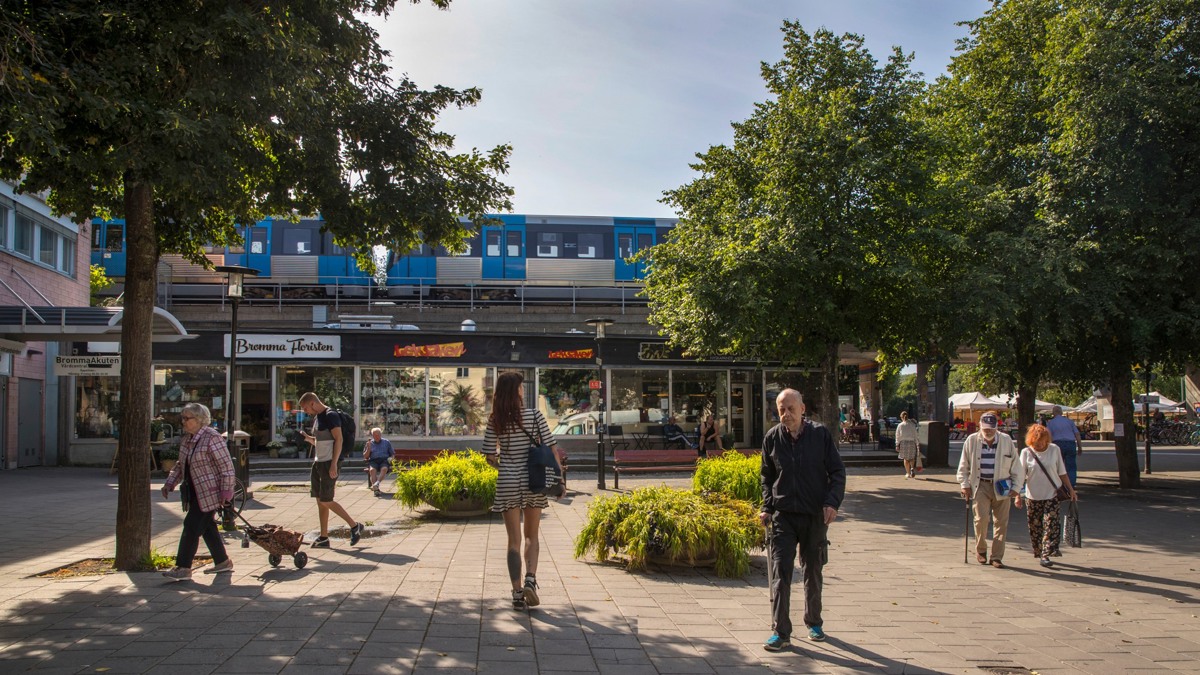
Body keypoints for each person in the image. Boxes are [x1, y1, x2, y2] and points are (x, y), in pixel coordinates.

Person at [760, 389, 846, 651]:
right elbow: (766, 477)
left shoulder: (820, 435)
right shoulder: (772, 438)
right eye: (781, 410)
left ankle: (814, 622)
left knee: (813, 570)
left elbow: (837, 472)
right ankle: (780, 631)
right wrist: (767, 507)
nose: (786, 414)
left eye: (790, 409)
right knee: (781, 573)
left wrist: (832, 503)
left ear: (802, 408)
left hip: (813, 515)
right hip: (784, 516)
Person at [482, 372, 565, 610]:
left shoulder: (495, 419)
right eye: (521, 387)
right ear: (516, 390)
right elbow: (551, 448)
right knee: (532, 536)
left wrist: (505, 465)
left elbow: (489, 457)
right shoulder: (535, 415)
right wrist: (560, 480)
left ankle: (517, 593)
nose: (523, 390)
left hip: (508, 481)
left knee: (513, 541)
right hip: (533, 480)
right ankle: (530, 579)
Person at [159, 402, 236, 581]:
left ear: (200, 419)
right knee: (207, 527)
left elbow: (226, 467)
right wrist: (169, 483)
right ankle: (223, 561)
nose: (183, 422)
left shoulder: (212, 437)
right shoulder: (187, 439)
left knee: (191, 526)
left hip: (210, 493)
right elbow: (181, 465)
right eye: (182, 418)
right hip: (193, 492)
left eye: (187, 418)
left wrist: (226, 492)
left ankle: (183, 567)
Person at [956, 411, 1025, 569]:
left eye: (991, 429)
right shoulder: (972, 440)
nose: (988, 432)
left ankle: (997, 556)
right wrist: (964, 484)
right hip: (980, 484)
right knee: (981, 519)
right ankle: (981, 550)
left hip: (1002, 485)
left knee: (1001, 522)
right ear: (980, 426)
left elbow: (1017, 466)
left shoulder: (1006, 440)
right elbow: (963, 465)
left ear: (996, 427)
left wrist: (1016, 487)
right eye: (985, 428)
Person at [299, 392, 363, 548]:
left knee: (326, 500)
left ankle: (355, 526)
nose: (306, 412)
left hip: (329, 462)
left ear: (313, 403)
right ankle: (324, 537)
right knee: (320, 500)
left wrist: (334, 463)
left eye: (306, 408)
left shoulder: (331, 415)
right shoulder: (318, 418)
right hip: (319, 462)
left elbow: (339, 439)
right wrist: (307, 438)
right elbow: (321, 441)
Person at [1016, 424, 1077, 567]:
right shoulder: (1026, 452)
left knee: (1051, 524)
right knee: (1035, 526)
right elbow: (1020, 476)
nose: (1040, 444)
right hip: (1032, 496)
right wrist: (1017, 495)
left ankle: (1045, 554)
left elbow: (1062, 472)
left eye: (1042, 441)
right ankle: (1039, 551)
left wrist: (1071, 489)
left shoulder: (1054, 449)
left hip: (1052, 494)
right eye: (1036, 442)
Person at [1045, 405, 1082, 487]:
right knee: (1071, 466)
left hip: (1057, 444)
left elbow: (1048, 436)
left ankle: (1059, 484)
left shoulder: (1051, 423)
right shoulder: (1069, 421)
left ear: (1053, 413)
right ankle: (1071, 485)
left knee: (1058, 465)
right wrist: (1079, 446)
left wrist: (1049, 447)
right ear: (1061, 412)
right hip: (1070, 443)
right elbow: (1077, 434)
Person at [363, 427, 394, 496]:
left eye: (378, 435)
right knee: (372, 470)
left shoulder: (386, 442)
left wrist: (391, 458)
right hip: (373, 460)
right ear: (372, 435)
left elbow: (392, 453)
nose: (377, 436)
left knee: (384, 469)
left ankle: (376, 483)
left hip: (384, 460)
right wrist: (368, 448)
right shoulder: (369, 443)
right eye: (375, 435)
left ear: (381, 434)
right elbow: (365, 456)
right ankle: (376, 490)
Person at [894, 411, 920, 478]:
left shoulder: (900, 425)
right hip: (912, 442)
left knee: (905, 459)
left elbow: (897, 435)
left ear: (901, 417)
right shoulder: (912, 424)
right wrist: (917, 443)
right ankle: (912, 468)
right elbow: (916, 434)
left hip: (904, 443)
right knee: (912, 457)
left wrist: (897, 444)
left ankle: (908, 473)